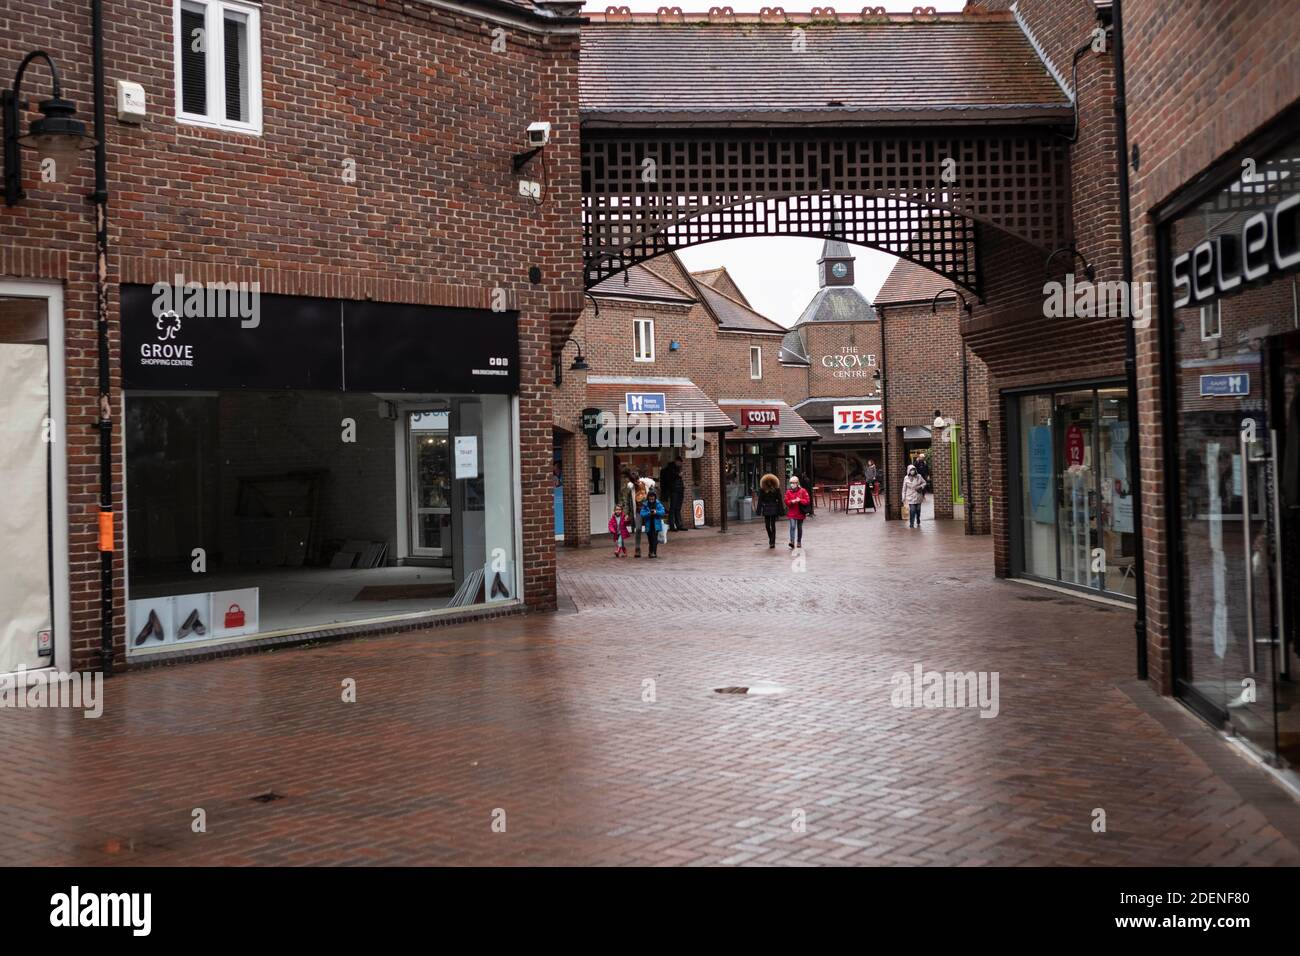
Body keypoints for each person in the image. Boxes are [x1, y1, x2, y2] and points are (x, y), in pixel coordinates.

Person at [757, 473, 783, 549]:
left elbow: (780, 499)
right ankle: (771, 538)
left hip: (774, 507)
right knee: (767, 526)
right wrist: (759, 510)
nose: (769, 482)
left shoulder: (776, 489)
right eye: (767, 481)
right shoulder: (762, 490)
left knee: (773, 525)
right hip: (766, 508)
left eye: (770, 481)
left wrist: (781, 510)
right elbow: (760, 500)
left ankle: (772, 542)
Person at [621, 468, 643, 558]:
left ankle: (652, 549)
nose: (636, 482)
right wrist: (626, 513)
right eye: (634, 481)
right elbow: (626, 501)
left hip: (647, 510)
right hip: (637, 511)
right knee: (638, 529)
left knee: (651, 530)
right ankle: (637, 548)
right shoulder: (629, 488)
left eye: (636, 480)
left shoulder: (645, 484)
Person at [784, 474, 811, 550]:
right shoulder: (788, 491)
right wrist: (791, 502)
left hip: (800, 512)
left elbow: (807, 501)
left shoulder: (803, 491)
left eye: (794, 483)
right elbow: (786, 501)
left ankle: (799, 541)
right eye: (791, 483)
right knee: (792, 526)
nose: (792, 484)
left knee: (799, 527)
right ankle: (792, 541)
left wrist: (800, 500)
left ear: (797, 483)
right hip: (792, 512)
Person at [639, 489, 667, 559]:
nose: (651, 498)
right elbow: (642, 514)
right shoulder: (645, 505)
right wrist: (649, 513)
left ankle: (653, 552)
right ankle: (651, 551)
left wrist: (656, 512)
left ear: (655, 497)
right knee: (650, 540)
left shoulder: (658, 504)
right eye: (650, 496)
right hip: (649, 526)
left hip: (656, 526)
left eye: (653, 496)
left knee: (655, 539)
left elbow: (663, 512)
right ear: (648, 497)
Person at [902, 464, 927, 528]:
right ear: (908, 471)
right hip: (910, 496)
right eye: (911, 470)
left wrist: (920, 486)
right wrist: (903, 497)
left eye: (913, 470)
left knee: (918, 510)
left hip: (918, 496)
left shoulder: (919, 476)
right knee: (912, 510)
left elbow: (924, 483)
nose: (912, 471)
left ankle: (918, 518)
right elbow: (904, 489)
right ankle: (911, 523)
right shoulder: (906, 478)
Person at [670, 456, 687, 531]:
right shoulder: (671, 468)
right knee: (673, 508)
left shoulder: (678, 468)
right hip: (674, 491)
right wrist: (678, 475)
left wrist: (683, 486)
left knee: (678, 508)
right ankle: (672, 525)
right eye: (679, 462)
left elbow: (679, 479)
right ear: (676, 461)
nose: (680, 464)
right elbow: (671, 478)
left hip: (680, 490)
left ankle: (679, 525)